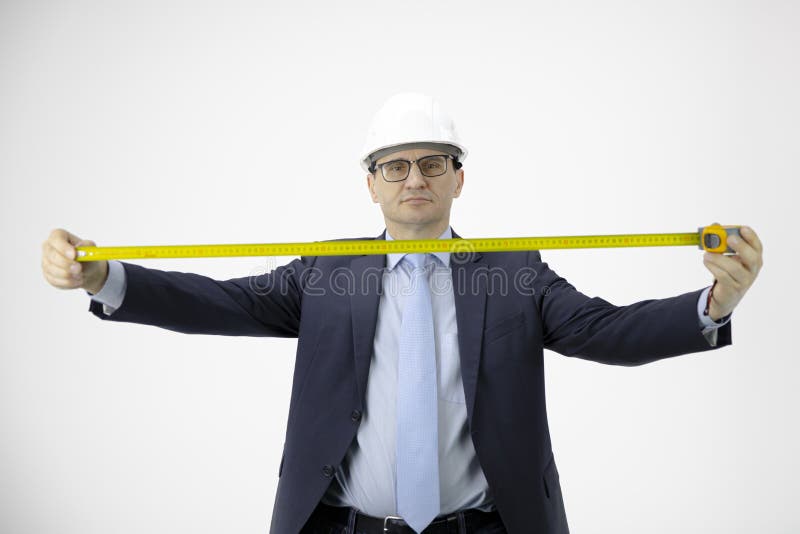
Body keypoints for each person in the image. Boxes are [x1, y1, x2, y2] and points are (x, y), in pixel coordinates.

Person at [41, 93, 763, 534]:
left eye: (433, 163)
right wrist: (105, 275)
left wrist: (714, 302)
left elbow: (606, 331)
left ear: (459, 178)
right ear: (372, 185)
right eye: (396, 165)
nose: (414, 178)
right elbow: (220, 302)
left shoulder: (516, 272)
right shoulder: (325, 270)